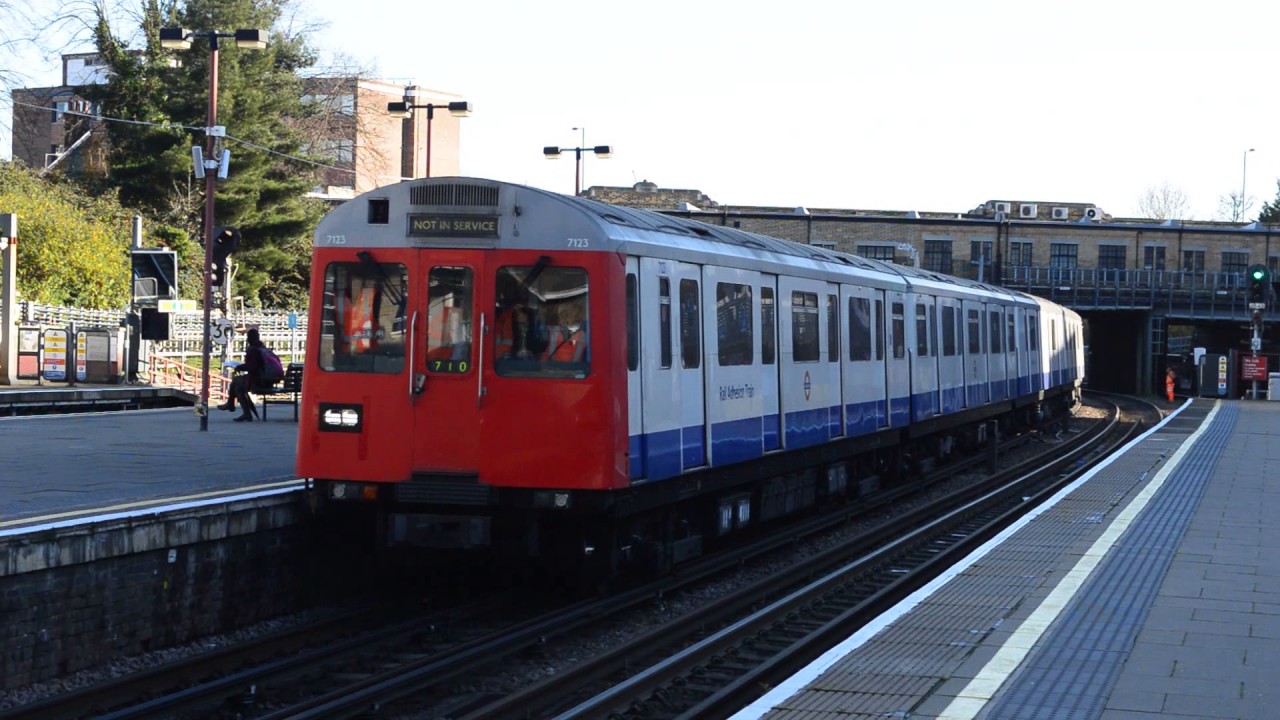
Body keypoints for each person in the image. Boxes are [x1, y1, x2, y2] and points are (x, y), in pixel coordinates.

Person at [219, 328, 274, 422]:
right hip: (268, 379)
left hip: (259, 380)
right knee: (238, 388)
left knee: (236, 380)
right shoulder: (263, 348)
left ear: (249, 338)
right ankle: (243, 412)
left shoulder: (254, 350)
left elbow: (252, 367)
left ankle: (231, 404)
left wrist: (239, 367)